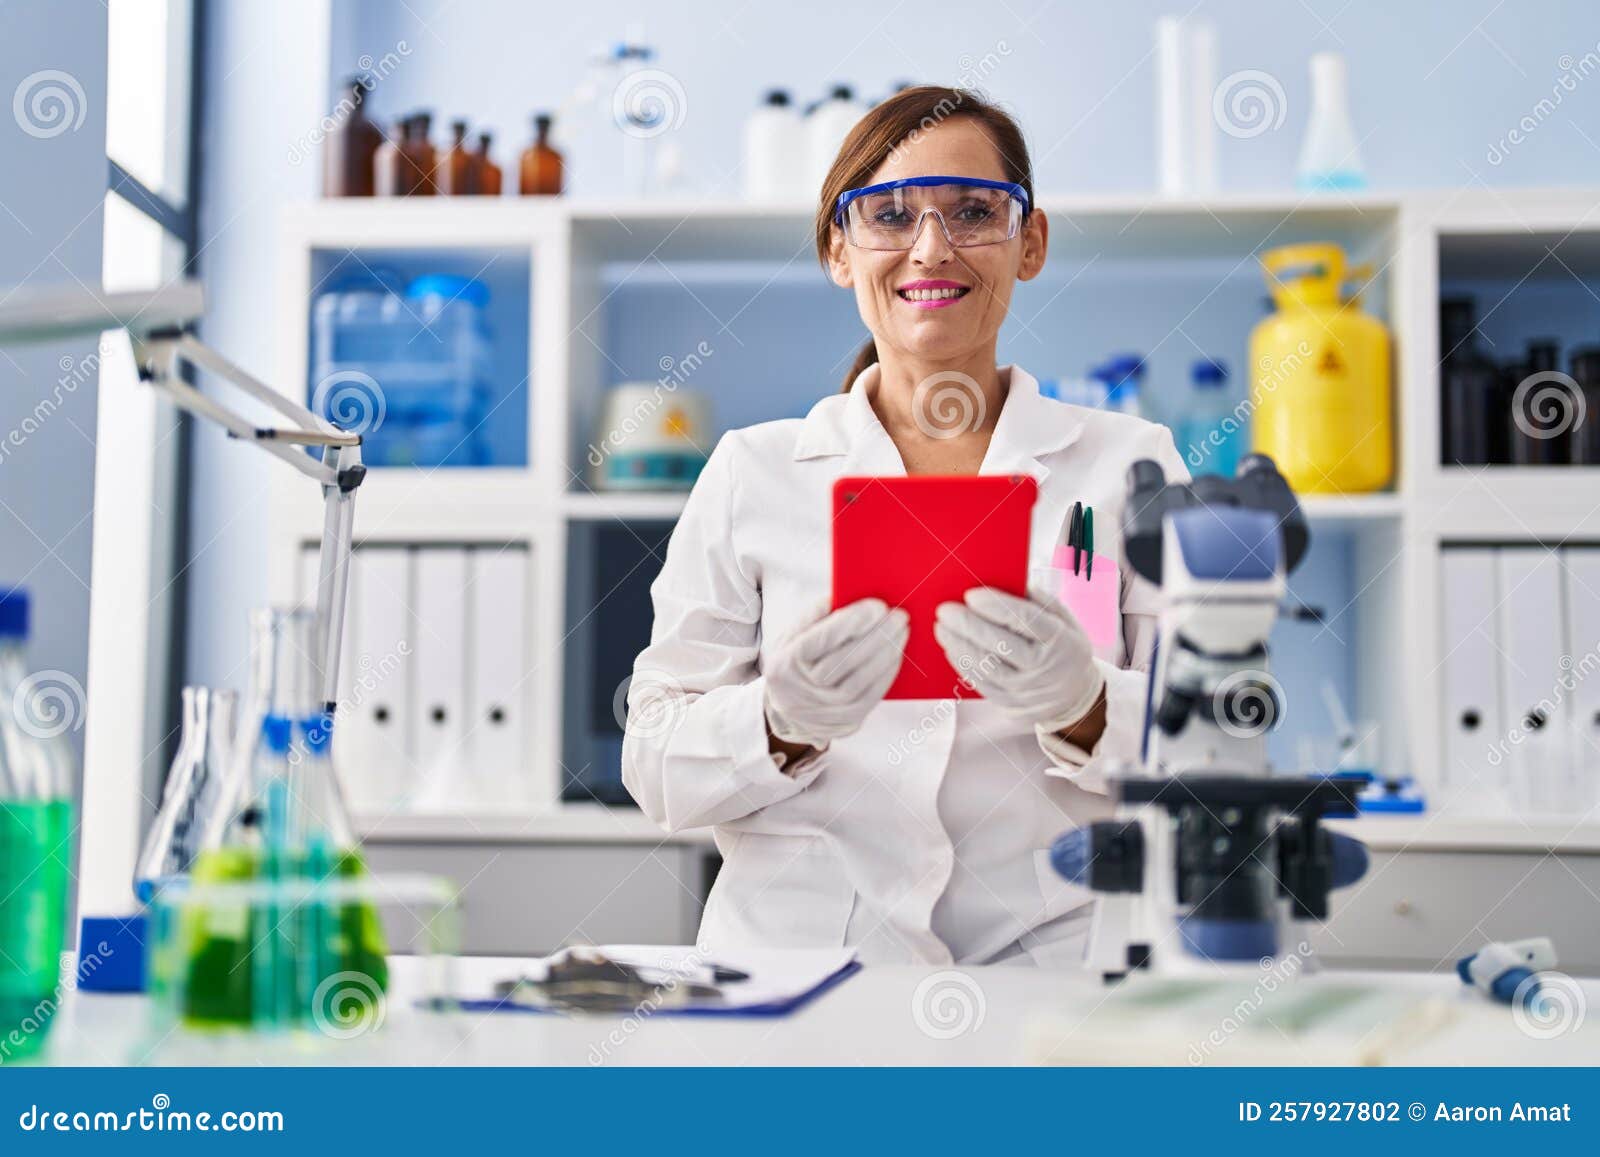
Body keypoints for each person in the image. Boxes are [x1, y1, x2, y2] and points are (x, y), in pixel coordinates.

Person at [622, 86, 1188, 967]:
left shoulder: (1129, 464)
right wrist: (779, 720)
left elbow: (1218, 747)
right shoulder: (752, 471)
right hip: (798, 973)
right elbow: (655, 768)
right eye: (888, 215)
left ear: (1031, 243)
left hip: (1055, 973)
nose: (931, 247)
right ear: (838, 250)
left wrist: (1087, 706)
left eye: (974, 211)